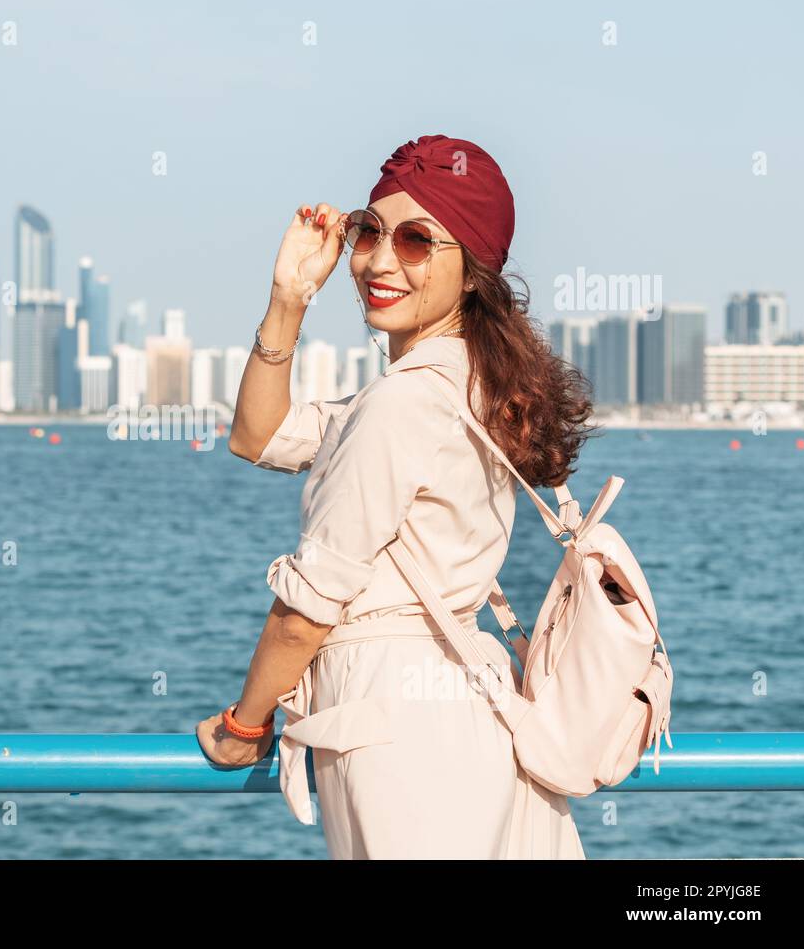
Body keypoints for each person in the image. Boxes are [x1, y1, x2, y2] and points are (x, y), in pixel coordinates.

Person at [194, 134, 595, 858]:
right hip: (467, 719)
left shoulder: (405, 405)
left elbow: (307, 607)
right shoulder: (466, 385)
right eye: (367, 230)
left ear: (470, 271)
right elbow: (262, 436)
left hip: (406, 737)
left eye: (416, 241)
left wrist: (243, 729)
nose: (380, 260)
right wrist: (289, 297)